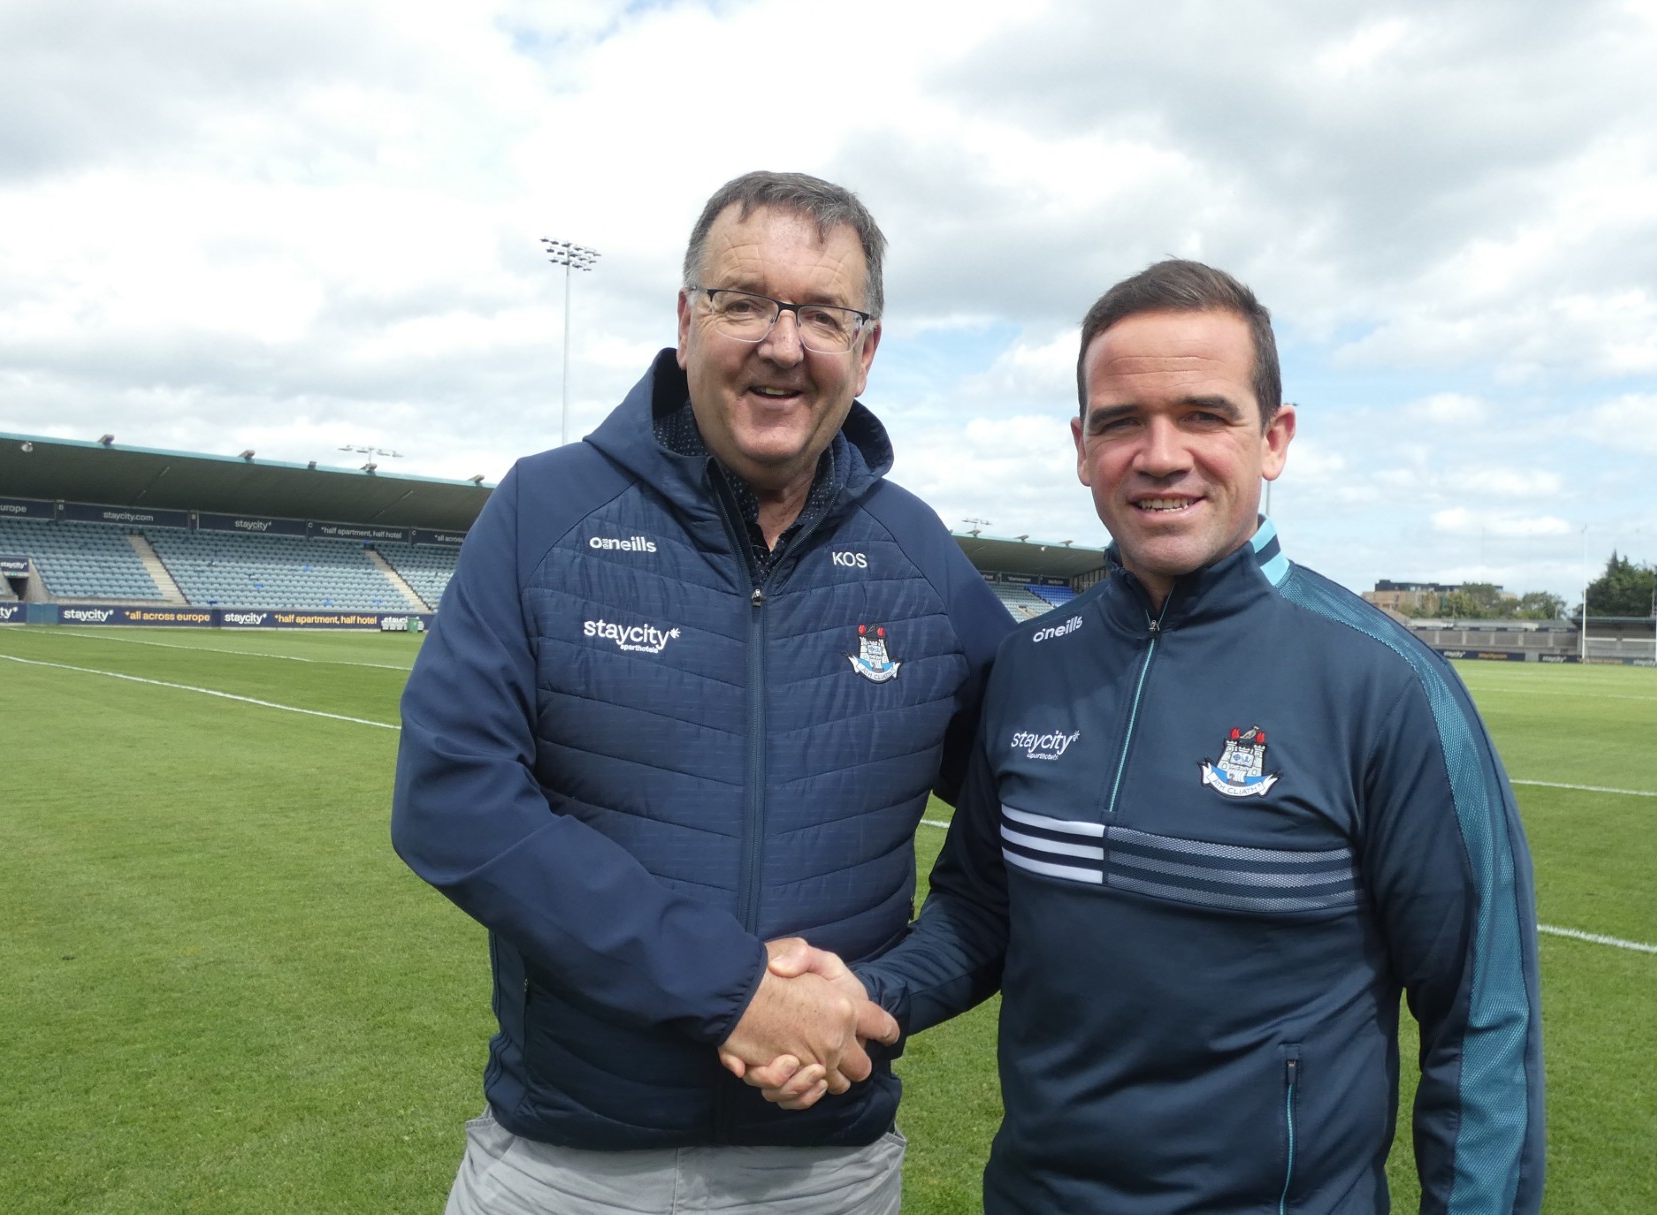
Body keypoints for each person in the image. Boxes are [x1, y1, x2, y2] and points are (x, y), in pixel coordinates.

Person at [752, 259, 1545, 1213]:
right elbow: (980, 913)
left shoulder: (1388, 686)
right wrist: (861, 996)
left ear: (1275, 439)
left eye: (1205, 415)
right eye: (1123, 420)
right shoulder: (1032, 662)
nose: (1161, 454)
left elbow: (1483, 1017)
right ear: (1083, 447)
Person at [391, 170, 1014, 1214]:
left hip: (829, 1172)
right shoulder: (544, 509)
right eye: (744, 301)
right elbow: (453, 802)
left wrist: (876, 1000)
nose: (783, 342)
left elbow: (1022, 824)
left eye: (822, 313)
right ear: (686, 323)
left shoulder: (920, 558)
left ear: (866, 350)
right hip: (569, 1170)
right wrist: (732, 996)